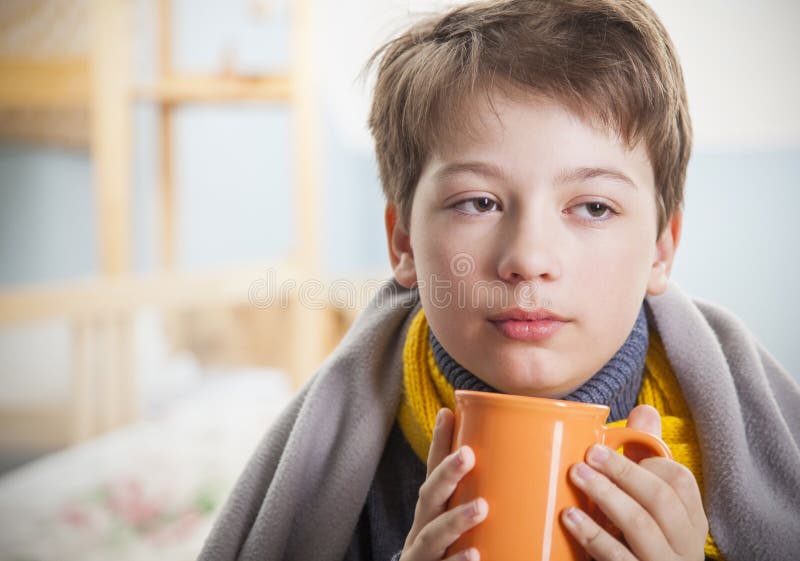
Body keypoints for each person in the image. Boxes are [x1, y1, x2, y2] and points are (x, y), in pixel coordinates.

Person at [198, 1, 800, 560]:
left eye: (593, 207)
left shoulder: (743, 433)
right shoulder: (341, 466)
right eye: (478, 202)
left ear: (662, 248)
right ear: (403, 241)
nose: (528, 258)